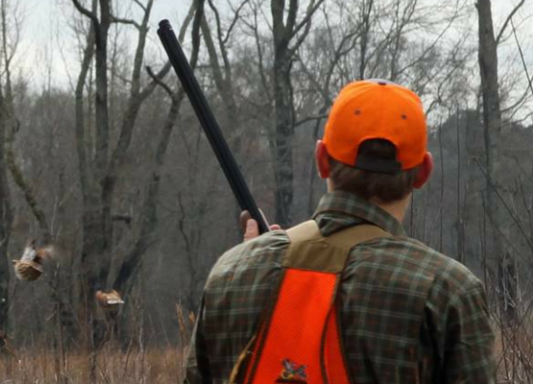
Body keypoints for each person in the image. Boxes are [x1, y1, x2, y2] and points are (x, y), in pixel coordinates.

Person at [184, 80, 495, 384]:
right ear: (423, 172)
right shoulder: (447, 291)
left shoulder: (228, 275)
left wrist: (248, 262)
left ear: (322, 159)